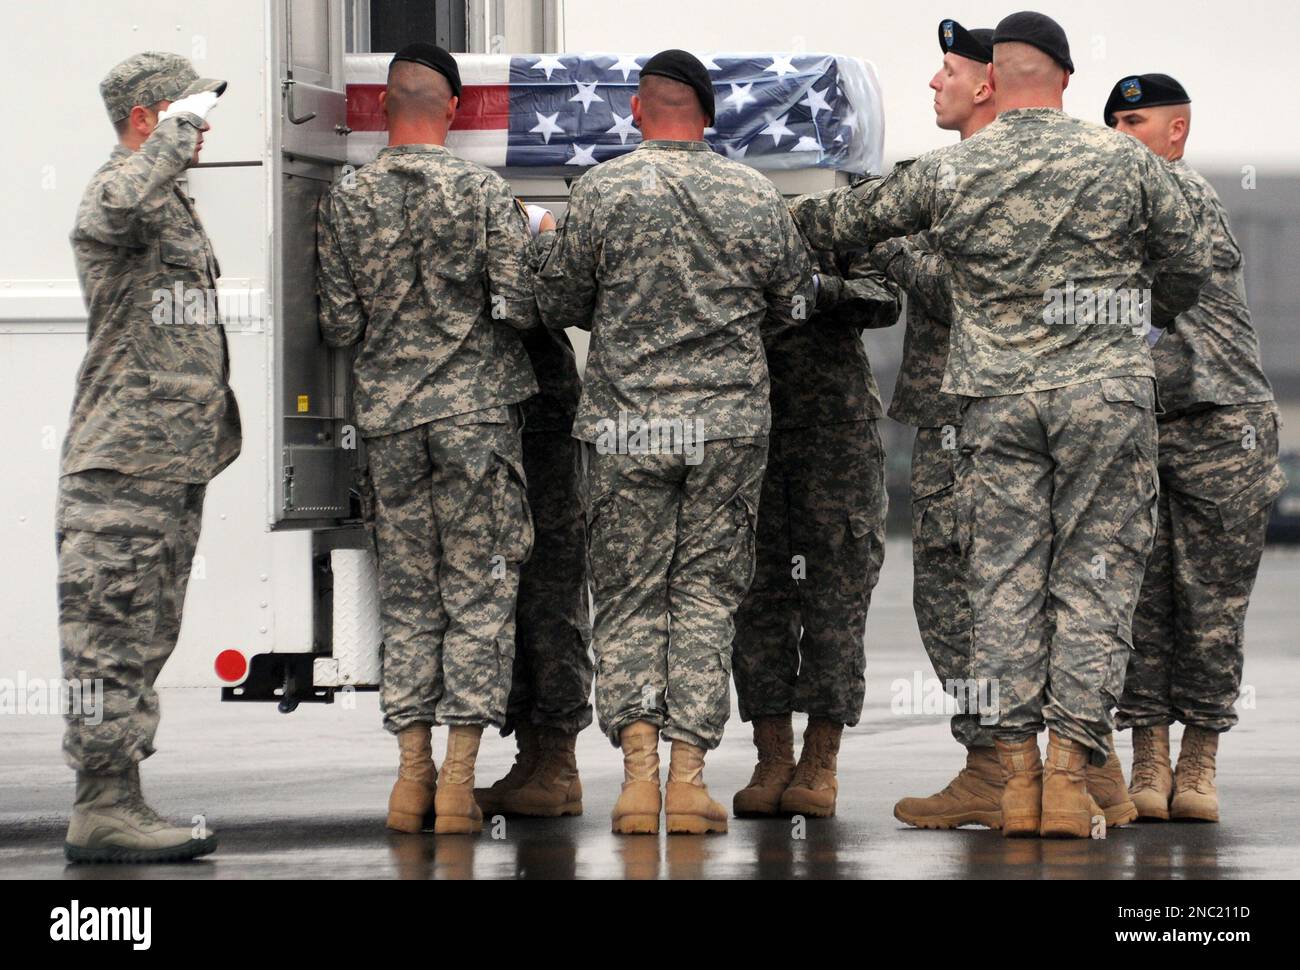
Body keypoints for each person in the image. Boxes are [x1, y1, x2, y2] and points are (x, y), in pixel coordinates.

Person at [792, 11, 1210, 839]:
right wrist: (1134, 311)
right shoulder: (1123, 159)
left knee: (1004, 591)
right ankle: (1069, 780)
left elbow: (831, 226)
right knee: (1092, 585)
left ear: (996, 80)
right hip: (1102, 398)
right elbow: (1188, 265)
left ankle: (1014, 784)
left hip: (996, 402)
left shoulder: (957, 171)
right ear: (1063, 78)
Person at [534, 49, 815, 835]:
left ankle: (635, 782)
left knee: (627, 597)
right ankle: (689, 783)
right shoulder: (754, 192)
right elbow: (793, 301)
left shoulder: (602, 190)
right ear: (709, 115)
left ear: (636, 109)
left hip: (628, 425)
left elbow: (557, 297)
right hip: (724, 428)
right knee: (704, 597)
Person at [316, 43, 539, 835]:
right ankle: (457, 787)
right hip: (475, 423)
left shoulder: (346, 199)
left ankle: (409, 781)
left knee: (410, 601)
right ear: (450, 110)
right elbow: (519, 306)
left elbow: (339, 322)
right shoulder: (482, 192)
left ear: (382, 106)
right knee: (479, 595)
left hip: (390, 425)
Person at [61, 51, 240, 863]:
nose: (203, 132)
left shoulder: (168, 203)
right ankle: (101, 805)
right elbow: (114, 208)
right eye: (189, 114)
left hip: (166, 461)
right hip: (122, 463)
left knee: (144, 631)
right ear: (150, 117)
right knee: (110, 631)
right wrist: (170, 138)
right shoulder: (118, 189)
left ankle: (119, 798)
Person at [1106, 73, 1287, 823]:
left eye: (1138, 122)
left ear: (1176, 133)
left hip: (1221, 424)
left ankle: (1199, 761)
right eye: (1112, 123)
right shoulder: (1114, 208)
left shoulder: (1182, 195)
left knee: (1210, 606)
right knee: (1142, 599)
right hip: (1147, 421)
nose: (1122, 136)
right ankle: (1148, 754)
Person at [884, 20, 1009, 831]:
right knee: (1031, 589)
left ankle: (993, 765)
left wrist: (886, 232)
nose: (935, 83)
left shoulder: (970, 175)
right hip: (1013, 415)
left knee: (955, 592)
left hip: (967, 419)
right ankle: (1088, 765)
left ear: (988, 84)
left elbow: (962, 290)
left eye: (949, 70)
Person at [731, 236, 898, 819]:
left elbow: (884, 298)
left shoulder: (836, 216)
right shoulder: (725, 206)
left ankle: (820, 758)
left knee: (836, 594)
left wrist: (816, 288)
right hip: (746, 421)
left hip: (836, 427)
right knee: (757, 595)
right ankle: (772, 755)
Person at [474, 322, 594, 818]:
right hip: (487, 414)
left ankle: (560, 762)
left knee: (551, 590)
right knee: (506, 593)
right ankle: (529, 754)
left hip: (544, 415)